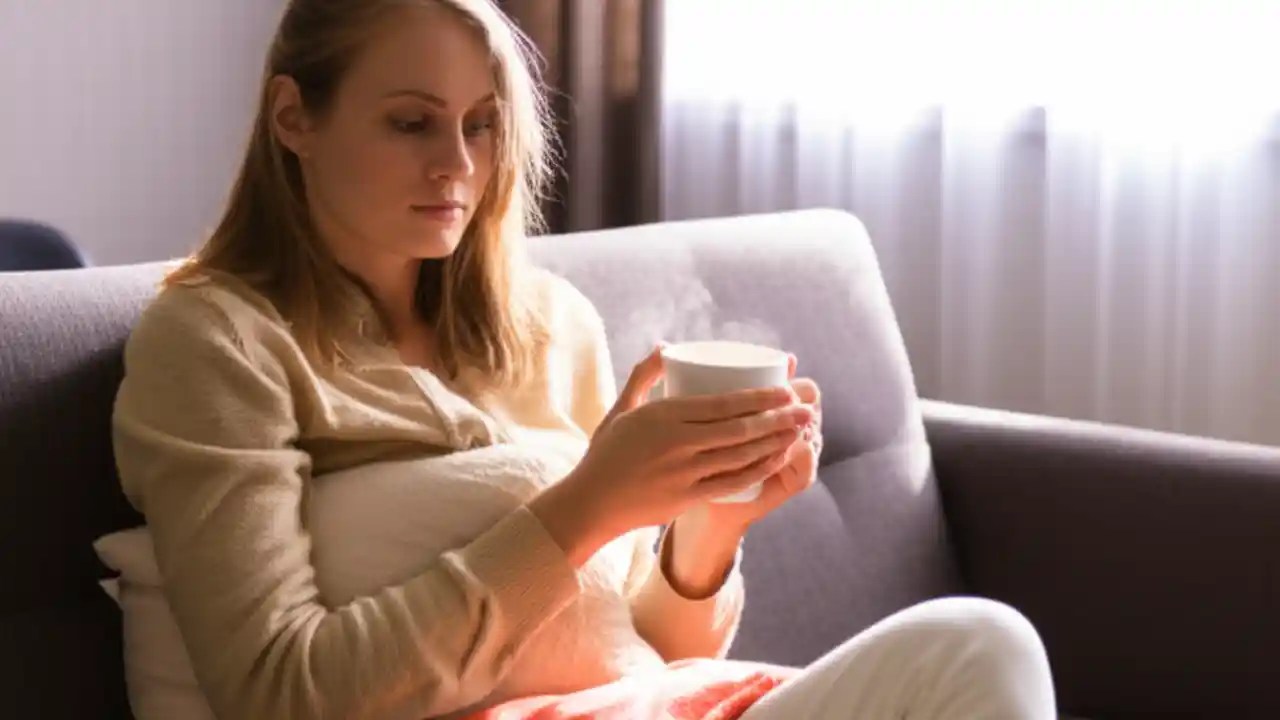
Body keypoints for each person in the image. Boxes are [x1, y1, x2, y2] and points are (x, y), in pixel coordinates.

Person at [111, 0, 1058, 718]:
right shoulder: (218, 345)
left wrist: (707, 530)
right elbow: (277, 689)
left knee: (977, 653)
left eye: (482, 124)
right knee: (977, 647)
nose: (460, 165)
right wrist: (587, 503)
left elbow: (644, 643)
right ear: (293, 118)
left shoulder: (547, 328)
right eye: (411, 122)